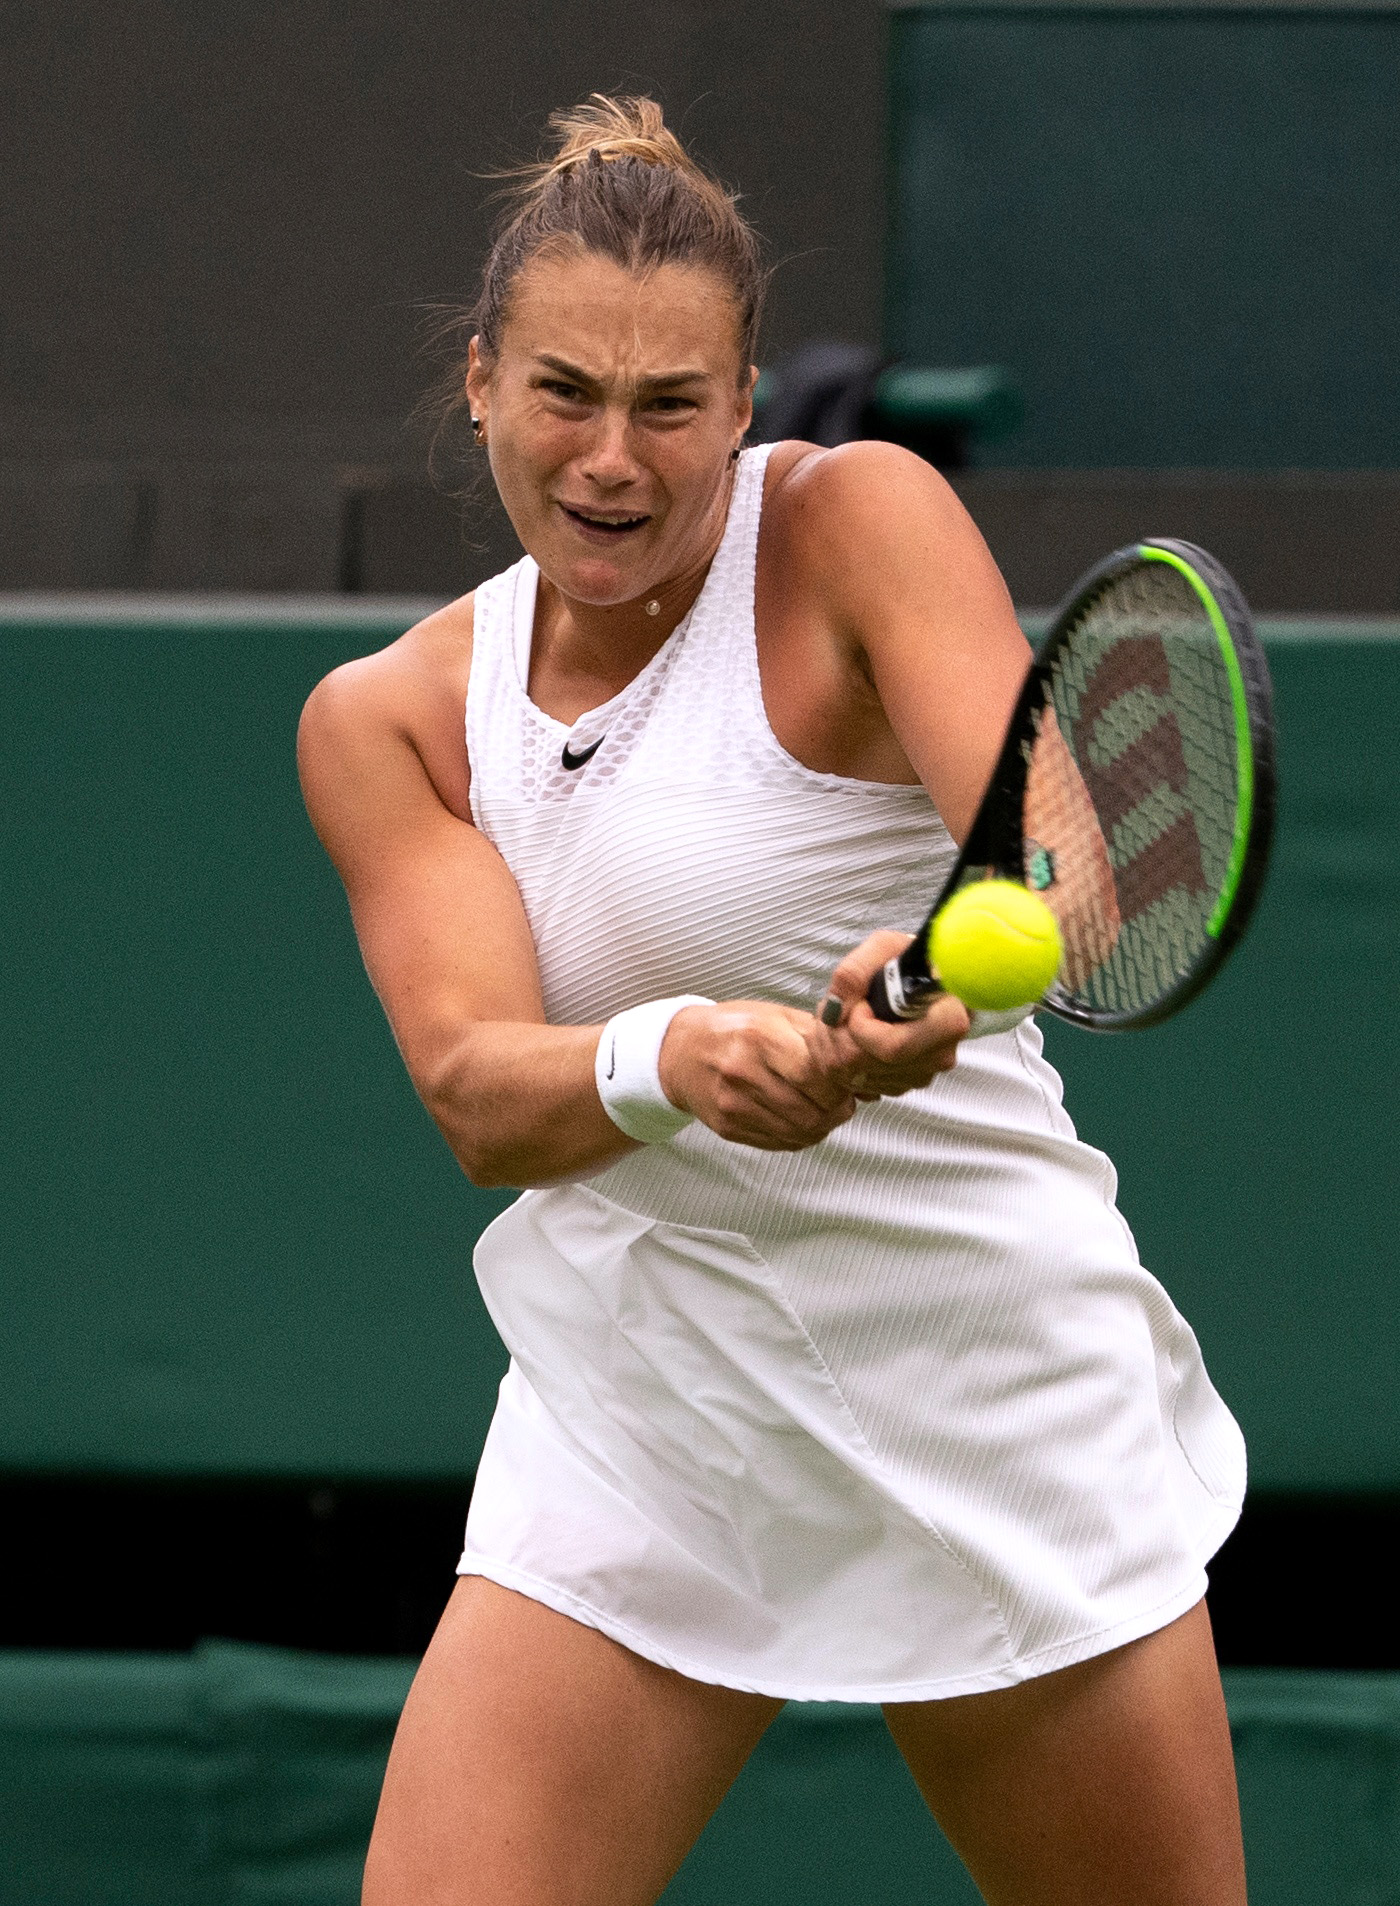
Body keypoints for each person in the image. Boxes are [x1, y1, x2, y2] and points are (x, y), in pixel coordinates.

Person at [298, 95, 1248, 1906]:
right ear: (480, 380)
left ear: (744, 406)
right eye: (565, 392)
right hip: (647, 1412)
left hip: (984, 1387)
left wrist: (946, 991)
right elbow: (482, 1094)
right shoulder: (395, 719)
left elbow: (1068, 865)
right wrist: (683, 1057)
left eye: (672, 407)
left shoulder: (858, 525)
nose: (613, 457)